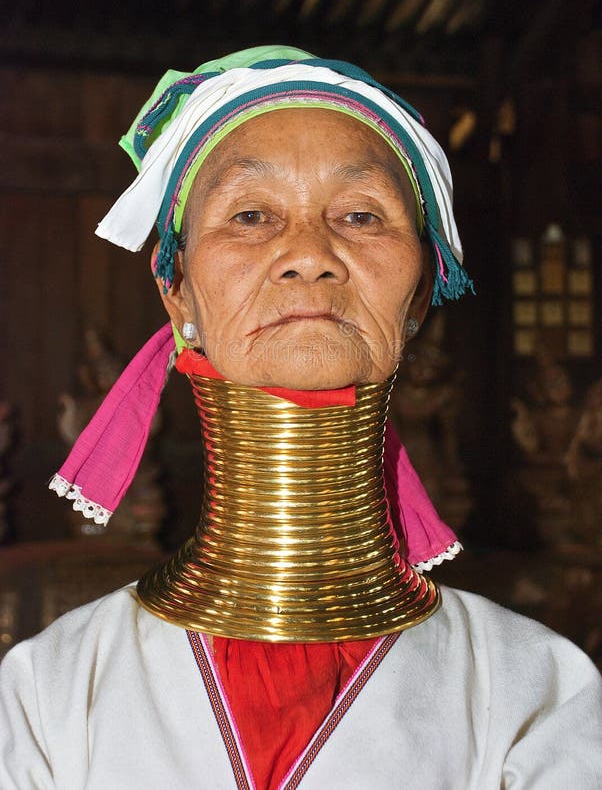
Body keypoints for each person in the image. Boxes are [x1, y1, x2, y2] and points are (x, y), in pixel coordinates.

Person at [1, 46, 600, 789]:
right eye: (251, 215)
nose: (309, 255)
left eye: (359, 215)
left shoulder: (535, 695)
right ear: (176, 290)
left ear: (417, 298)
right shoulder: (48, 696)